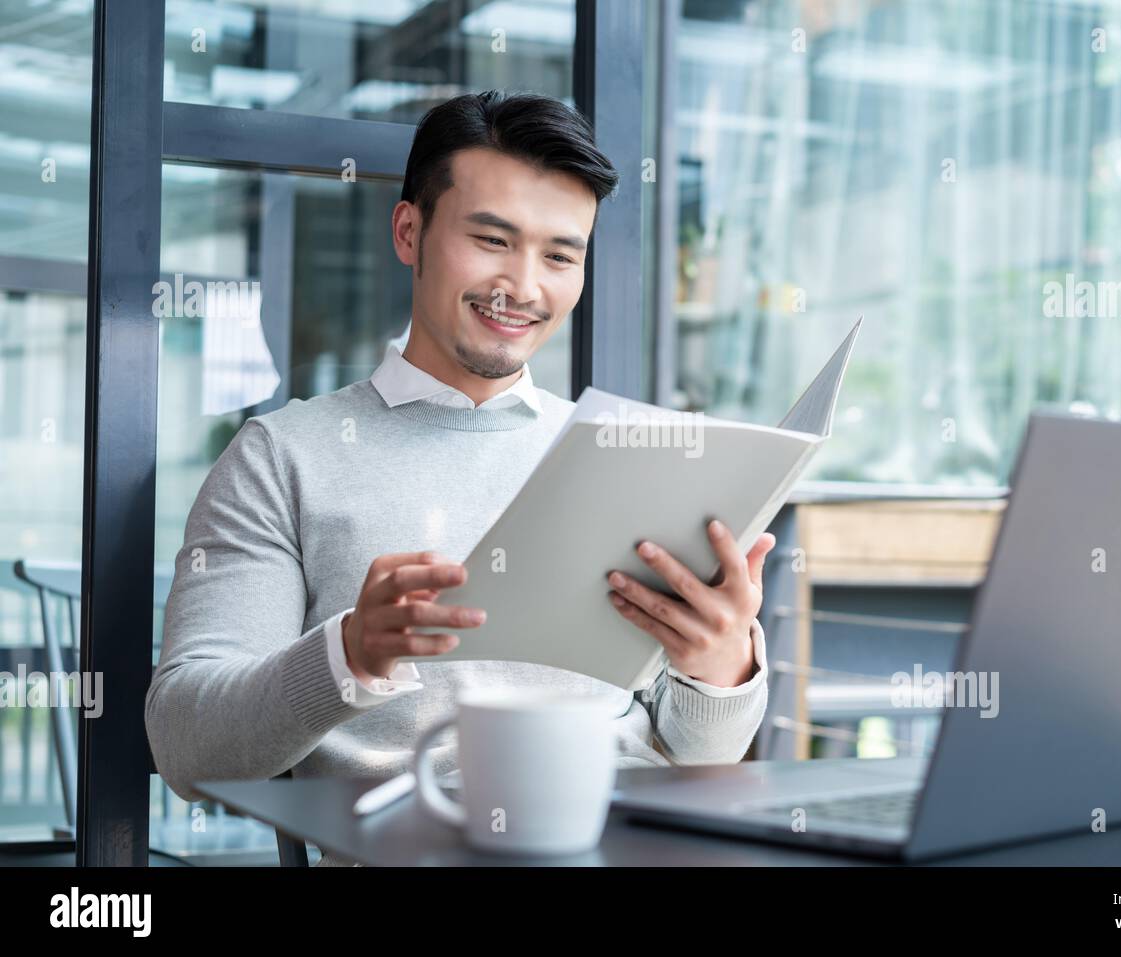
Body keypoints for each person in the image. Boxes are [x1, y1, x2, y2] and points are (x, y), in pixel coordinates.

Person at [145, 91, 775, 867]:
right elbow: (185, 745)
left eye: (559, 255)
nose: (523, 286)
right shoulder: (283, 457)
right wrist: (348, 653)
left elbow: (697, 761)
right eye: (491, 239)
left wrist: (719, 669)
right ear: (410, 232)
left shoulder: (625, 453)